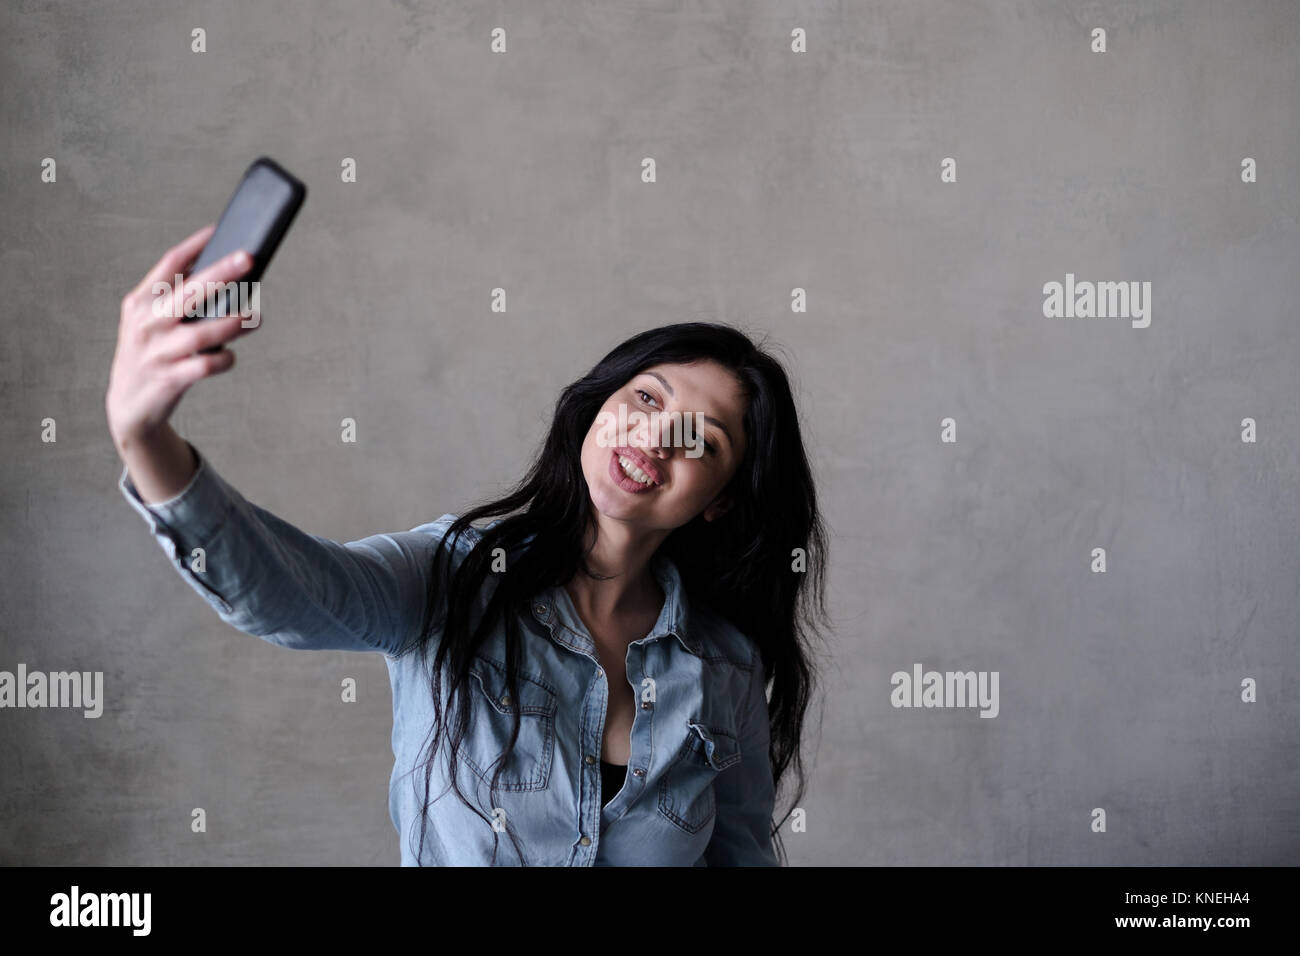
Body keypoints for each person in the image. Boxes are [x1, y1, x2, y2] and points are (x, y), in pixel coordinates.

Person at [105, 225, 829, 866]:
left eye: (700, 440)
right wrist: (145, 438)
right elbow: (290, 592)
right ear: (601, 404)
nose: (656, 435)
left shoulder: (724, 665)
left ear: (722, 500)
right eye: (647, 398)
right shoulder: (453, 577)